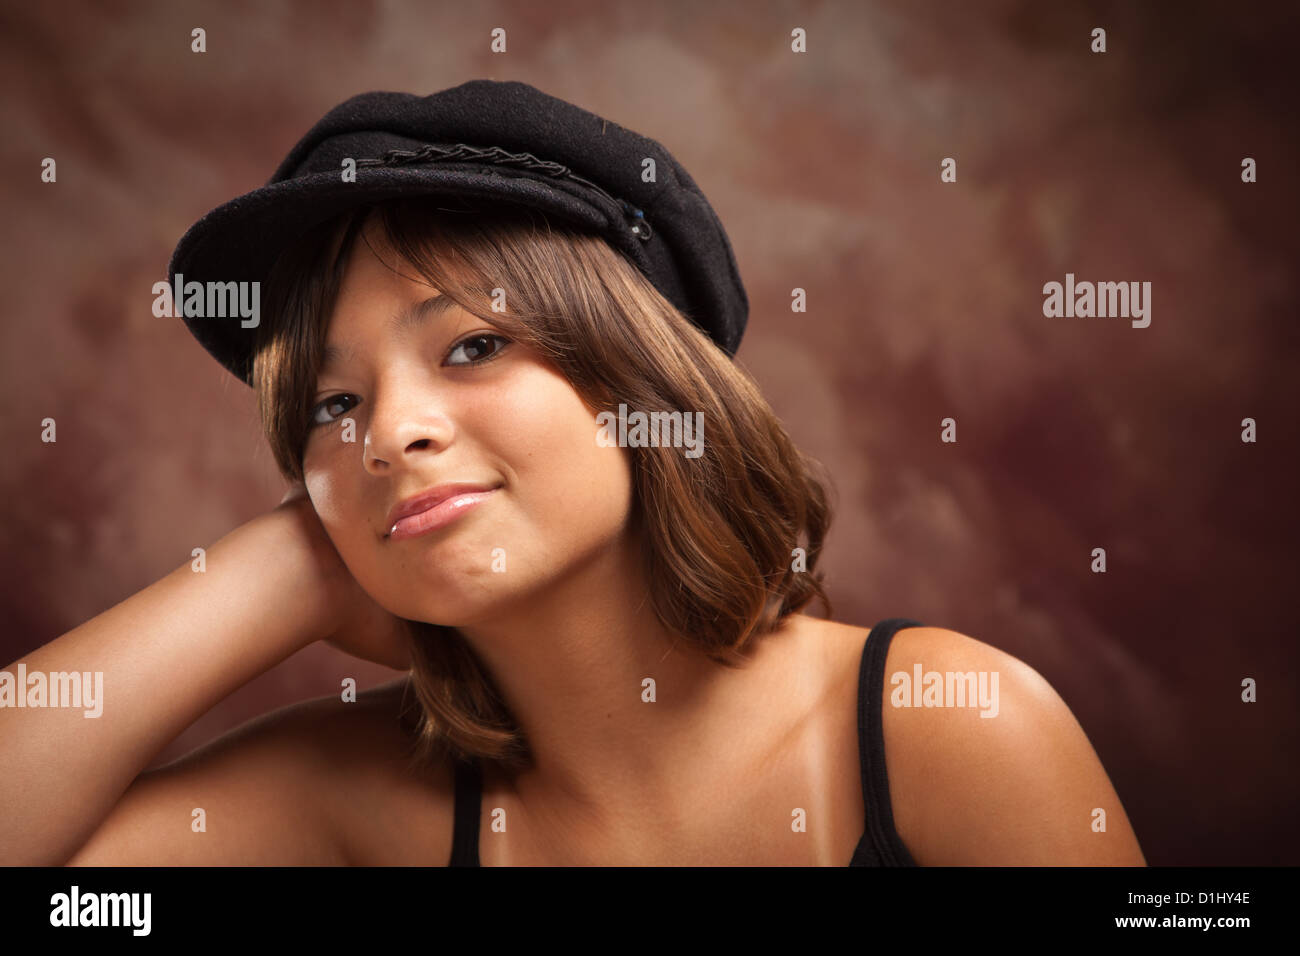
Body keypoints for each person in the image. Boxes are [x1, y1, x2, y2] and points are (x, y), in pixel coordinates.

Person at [0, 81, 1145, 867]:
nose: (388, 433)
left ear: (640, 386)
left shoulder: (939, 726)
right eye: (332, 405)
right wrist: (274, 572)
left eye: (473, 346)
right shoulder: (349, 796)